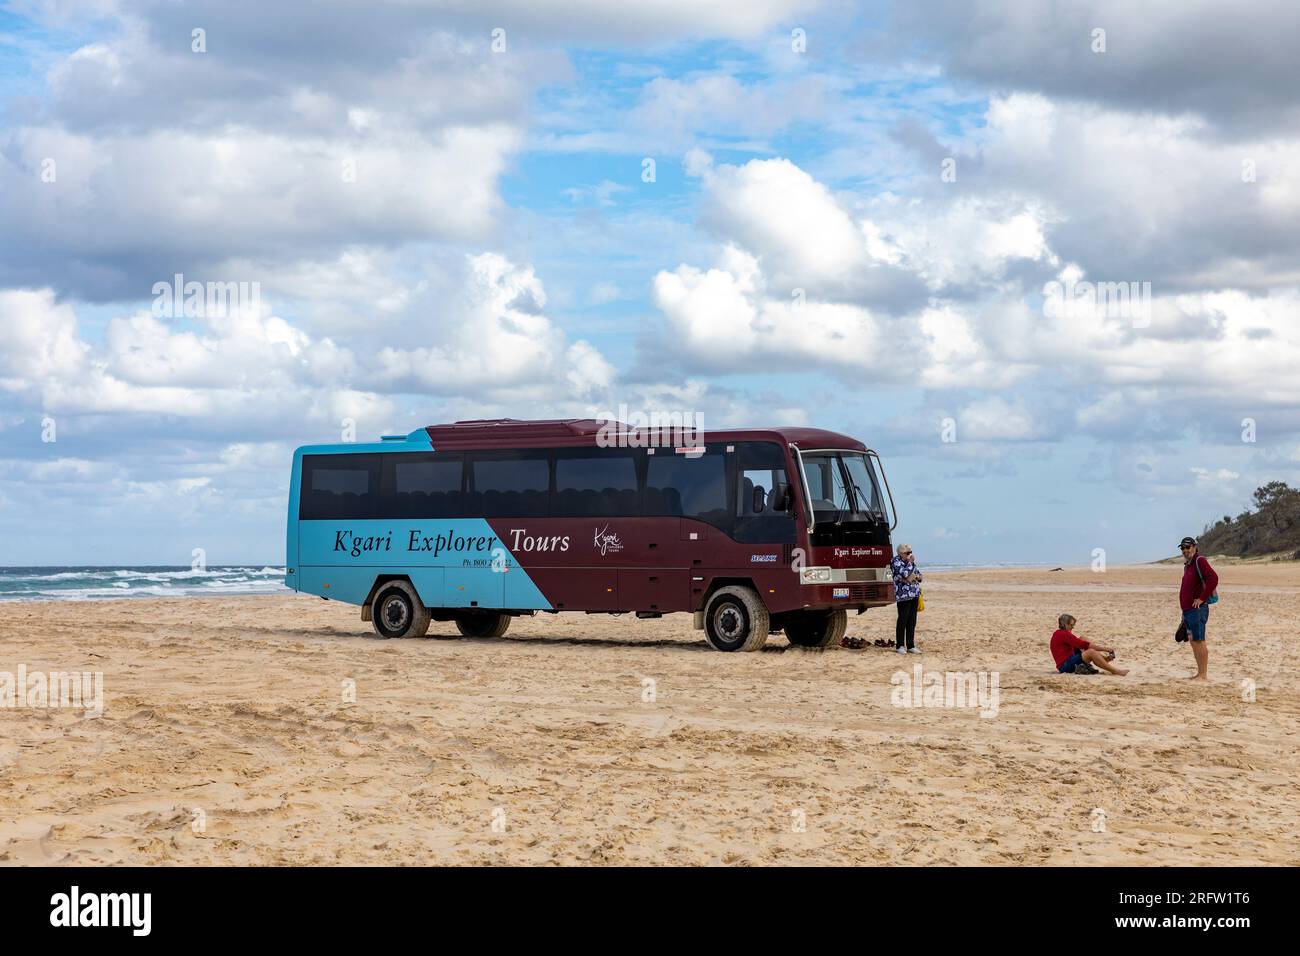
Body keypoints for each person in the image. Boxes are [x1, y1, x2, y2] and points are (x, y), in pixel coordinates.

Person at [1178, 536, 1218, 681]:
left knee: (1199, 640)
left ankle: (1203, 674)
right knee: (1192, 639)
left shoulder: (1199, 560)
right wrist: (1184, 612)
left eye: (1187, 547)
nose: (1185, 550)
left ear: (1194, 547)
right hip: (1188, 610)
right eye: (1182, 547)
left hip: (1197, 609)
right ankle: (1199, 673)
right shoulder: (1188, 565)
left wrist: (1202, 598)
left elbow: (1213, 578)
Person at [1051, 614, 1128, 676]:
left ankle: (1104, 659)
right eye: (1071, 625)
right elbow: (1083, 645)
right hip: (1064, 666)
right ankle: (1115, 671)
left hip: (1069, 658)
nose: (1073, 627)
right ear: (1065, 624)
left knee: (1083, 638)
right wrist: (1105, 649)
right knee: (1090, 652)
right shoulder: (1063, 634)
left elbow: (1079, 643)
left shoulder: (1061, 633)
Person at [890, 544, 922, 654]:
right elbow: (905, 573)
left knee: (912, 621)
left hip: (914, 593)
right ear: (901, 553)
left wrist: (913, 577)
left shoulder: (910, 563)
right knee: (902, 620)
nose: (910, 555)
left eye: (910, 552)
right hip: (903, 595)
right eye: (908, 553)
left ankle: (910, 645)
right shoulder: (896, 561)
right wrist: (910, 564)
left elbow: (919, 575)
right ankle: (900, 645)